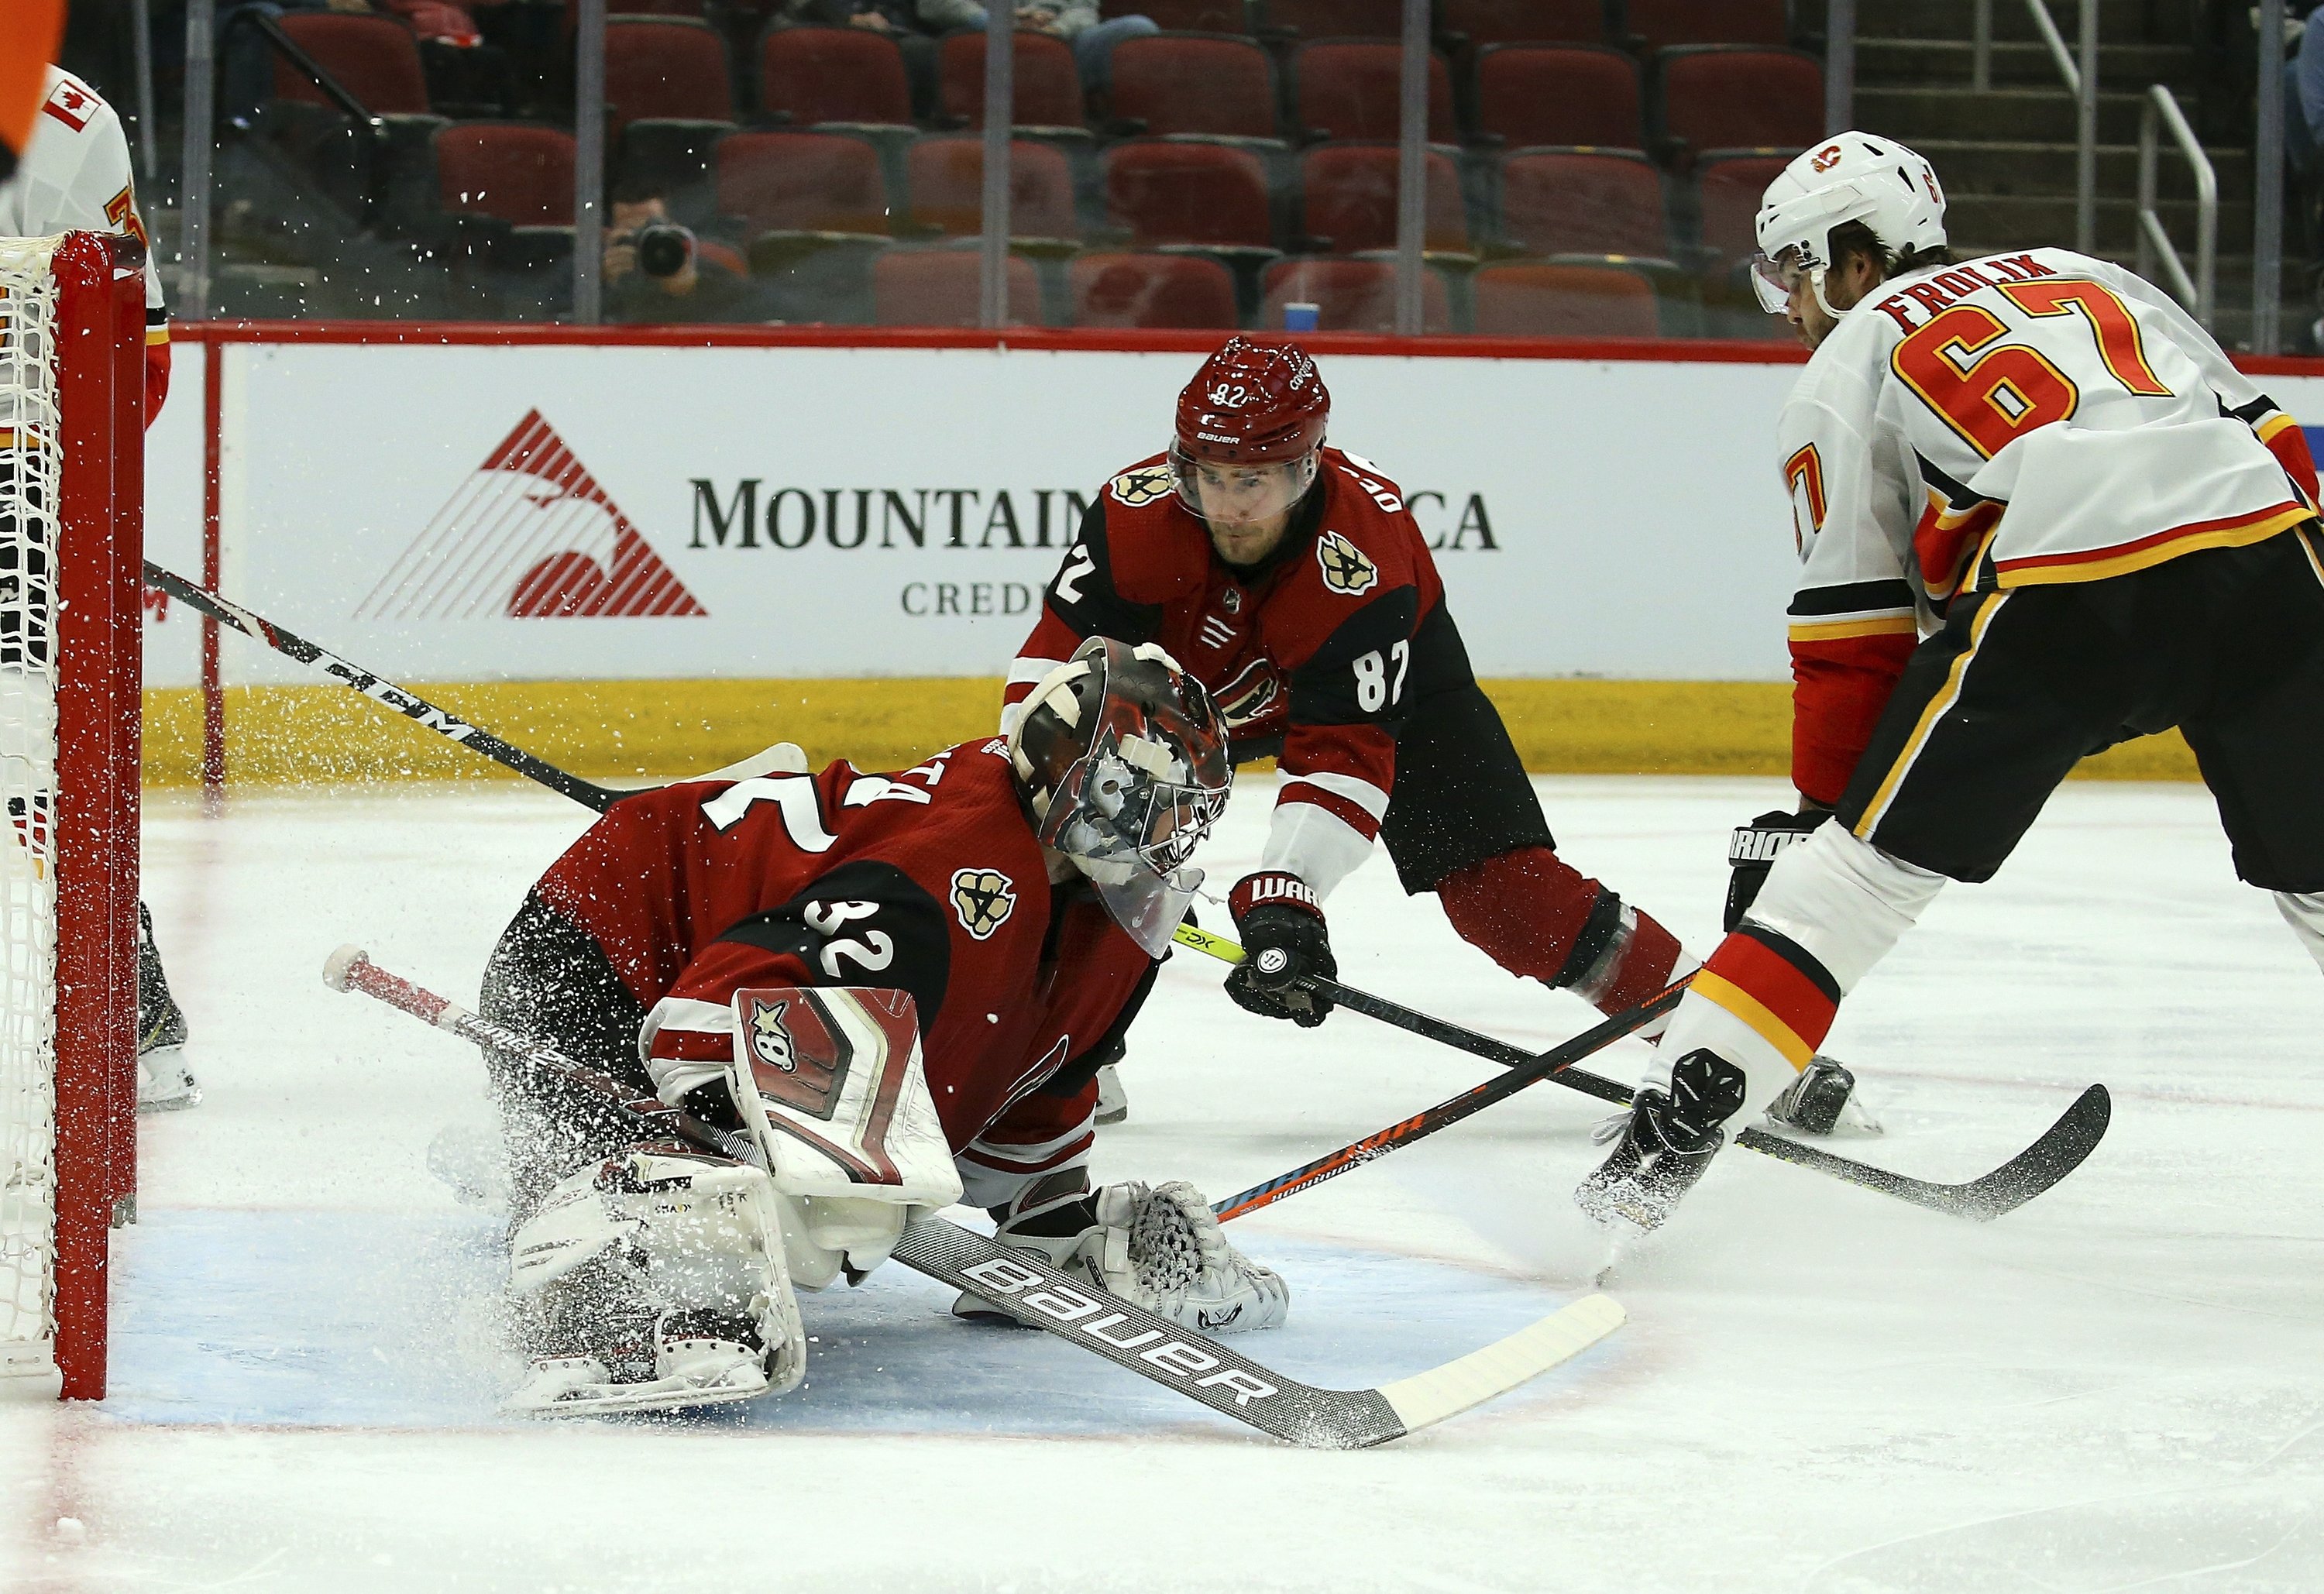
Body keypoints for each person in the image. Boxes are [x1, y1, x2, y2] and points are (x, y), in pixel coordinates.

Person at [1578, 131, 2324, 1233]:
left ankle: (1634, 1181)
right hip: (2273, 563)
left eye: (1793, 271)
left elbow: (1852, 635)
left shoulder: (1849, 360)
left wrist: (1820, 824)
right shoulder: (2092, 273)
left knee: (1854, 888)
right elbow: (2276, 442)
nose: (1786, 304)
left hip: (2072, 588)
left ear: (1855, 261)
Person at [1000, 338, 1871, 1132]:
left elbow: (1344, 752)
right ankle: (1068, 1062)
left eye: (1252, 480)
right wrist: (1059, 797)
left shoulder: (1364, 555)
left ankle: (1738, 1043)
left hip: (1406, 700)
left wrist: (1284, 890)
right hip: (1197, 710)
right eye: (1207, 477)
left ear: (1306, 468)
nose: (1226, 506)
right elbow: (1049, 676)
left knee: (1511, 900)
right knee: (1077, 835)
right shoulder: (1133, 515)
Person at [476, 637, 1287, 1417]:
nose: (1164, 834)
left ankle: (645, 1210)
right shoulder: (947, 870)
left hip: (717, 956)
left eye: (1181, 811)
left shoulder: (1098, 896)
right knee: (703, 1212)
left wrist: (1044, 1216)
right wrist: (740, 1142)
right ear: (1070, 778)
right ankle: (599, 1272)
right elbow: (723, 1000)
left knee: (823, 1183)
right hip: (606, 944)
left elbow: (1037, 1055)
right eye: (1140, 801)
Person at [1, 64, 191, 1109]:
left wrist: (58, 497)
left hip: (12, 459)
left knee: (27, 738)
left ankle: (128, 1004)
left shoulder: (61, 119)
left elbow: (135, 354)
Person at [600, 178, 771, 326]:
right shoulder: (586, 275)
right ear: (610, 233)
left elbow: (759, 308)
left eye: (652, 227)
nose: (642, 238)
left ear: (674, 228)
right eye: (630, 230)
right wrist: (607, 285)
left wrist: (691, 289)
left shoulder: (705, 269)